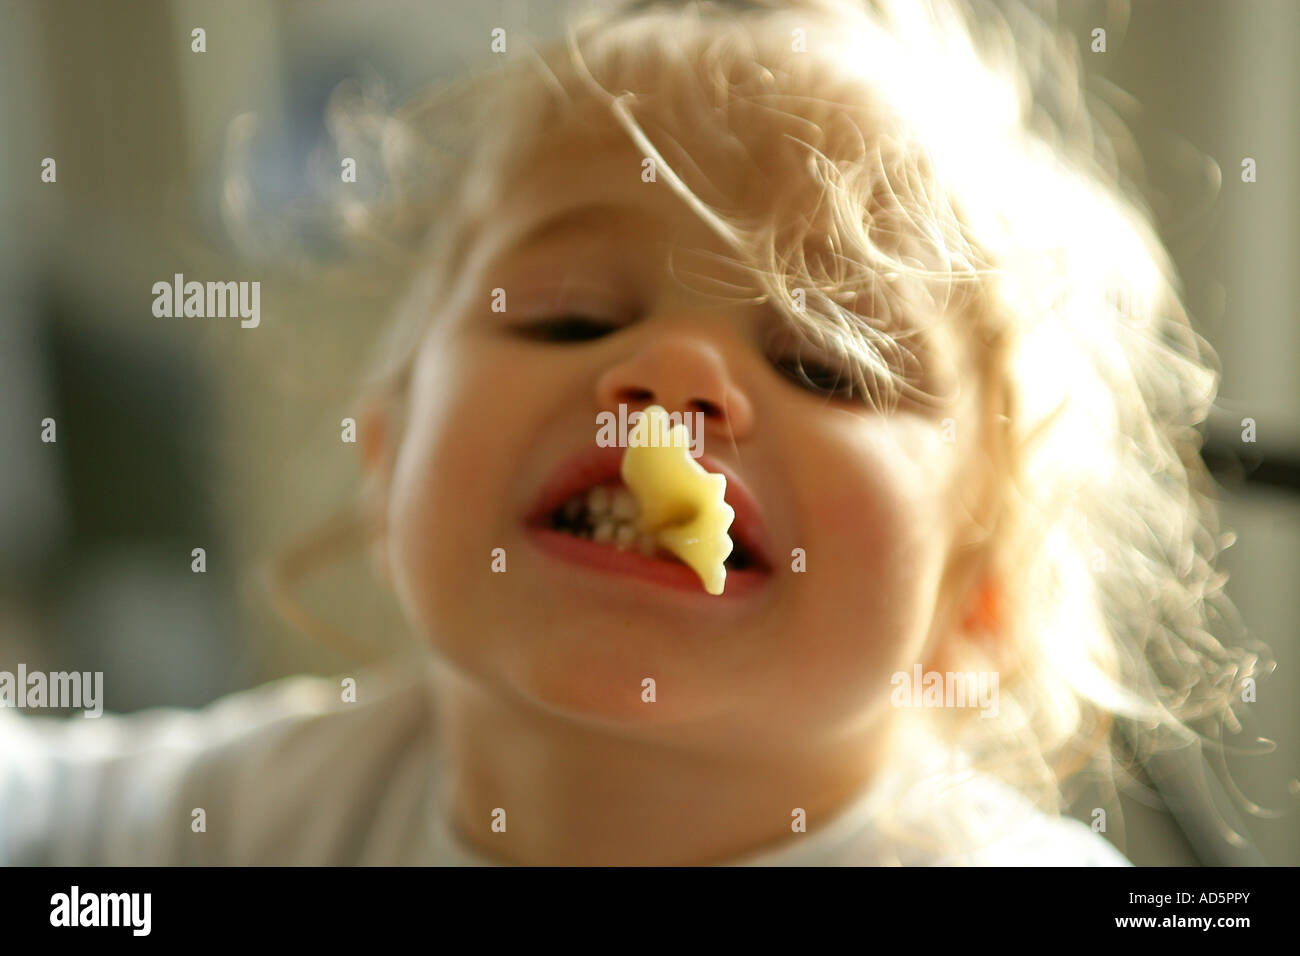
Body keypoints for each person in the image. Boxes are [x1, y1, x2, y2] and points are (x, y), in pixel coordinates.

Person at [1, 0, 1260, 866]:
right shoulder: (288, 808)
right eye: (566, 317)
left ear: (977, 604)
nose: (666, 372)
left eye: (825, 361)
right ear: (389, 463)